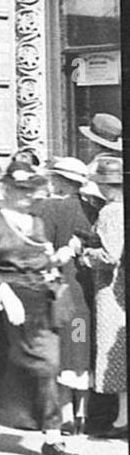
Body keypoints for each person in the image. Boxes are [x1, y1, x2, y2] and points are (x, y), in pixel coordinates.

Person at [0, 160, 80, 455]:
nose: (27, 195)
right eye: (20, 189)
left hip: (38, 305)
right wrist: (0, 289)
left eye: (30, 189)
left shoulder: (37, 223)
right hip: (1, 304)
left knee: (47, 365)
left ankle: (52, 438)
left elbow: (42, 262)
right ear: (7, 189)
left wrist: (58, 259)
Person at [33, 157, 95, 436]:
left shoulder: (48, 208)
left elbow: (42, 248)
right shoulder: (92, 209)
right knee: (80, 345)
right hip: (84, 291)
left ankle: (66, 414)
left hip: (60, 291)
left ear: (61, 181)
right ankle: (84, 413)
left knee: (62, 350)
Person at [84, 154, 126, 438]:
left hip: (111, 289)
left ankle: (121, 418)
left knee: (114, 349)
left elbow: (110, 255)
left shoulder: (111, 211)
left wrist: (86, 254)